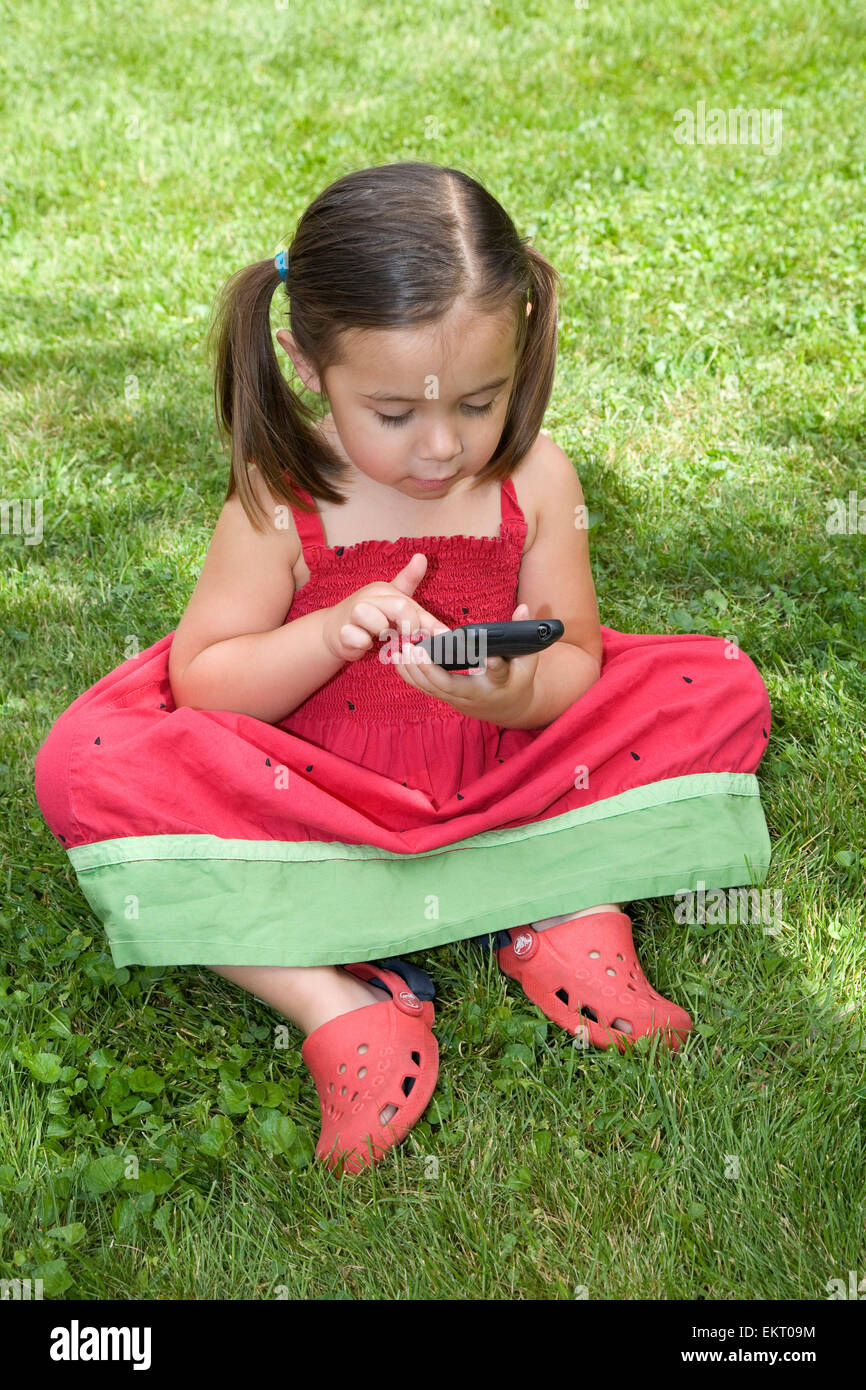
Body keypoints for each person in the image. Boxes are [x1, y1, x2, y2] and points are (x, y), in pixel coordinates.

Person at [33, 161, 773, 1177]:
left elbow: (576, 654)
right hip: (321, 794)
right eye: (393, 414)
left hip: (510, 771)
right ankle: (336, 1001)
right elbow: (205, 678)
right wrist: (325, 634)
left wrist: (516, 690)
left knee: (716, 687)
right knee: (86, 765)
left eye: (480, 400)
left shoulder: (535, 477)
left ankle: (561, 916)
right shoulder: (279, 495)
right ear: (305, 365)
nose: (440, 447)